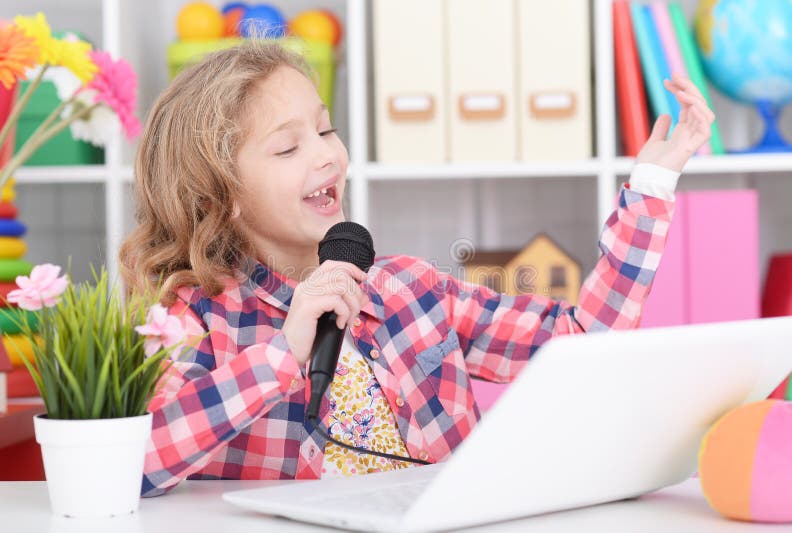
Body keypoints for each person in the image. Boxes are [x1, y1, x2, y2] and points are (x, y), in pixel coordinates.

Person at [119, 40, 715, 497]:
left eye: (325, 128)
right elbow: (133, 465)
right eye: (288, 147)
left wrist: (652, 186)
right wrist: (283, 354)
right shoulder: (192, 318)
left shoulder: (410, 288)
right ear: (222, 196)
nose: (327, 153)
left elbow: (585, 341)